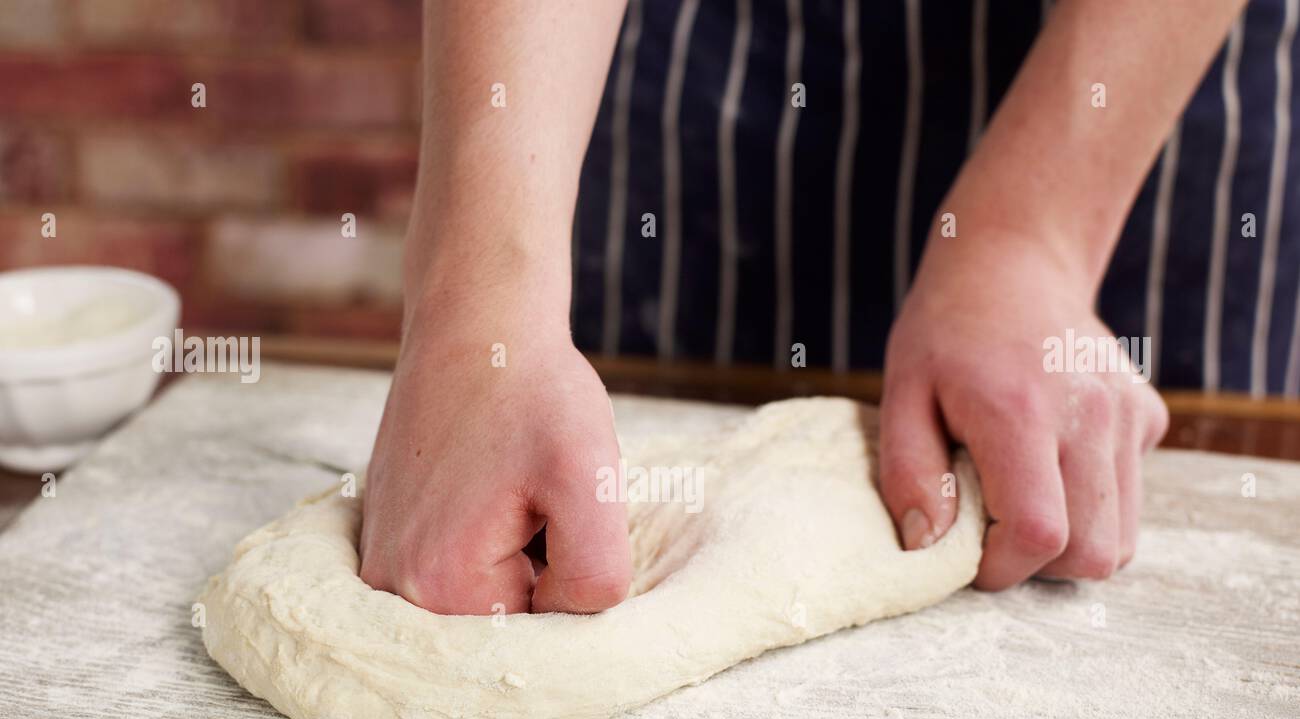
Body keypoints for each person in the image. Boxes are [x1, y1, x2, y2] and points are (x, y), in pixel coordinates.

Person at [361, 0, 1282, 616]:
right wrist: (478, 307)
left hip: (1132, 71)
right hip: (725, 74)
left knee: (1072, 533)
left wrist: (1036, 237)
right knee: (588, 521)